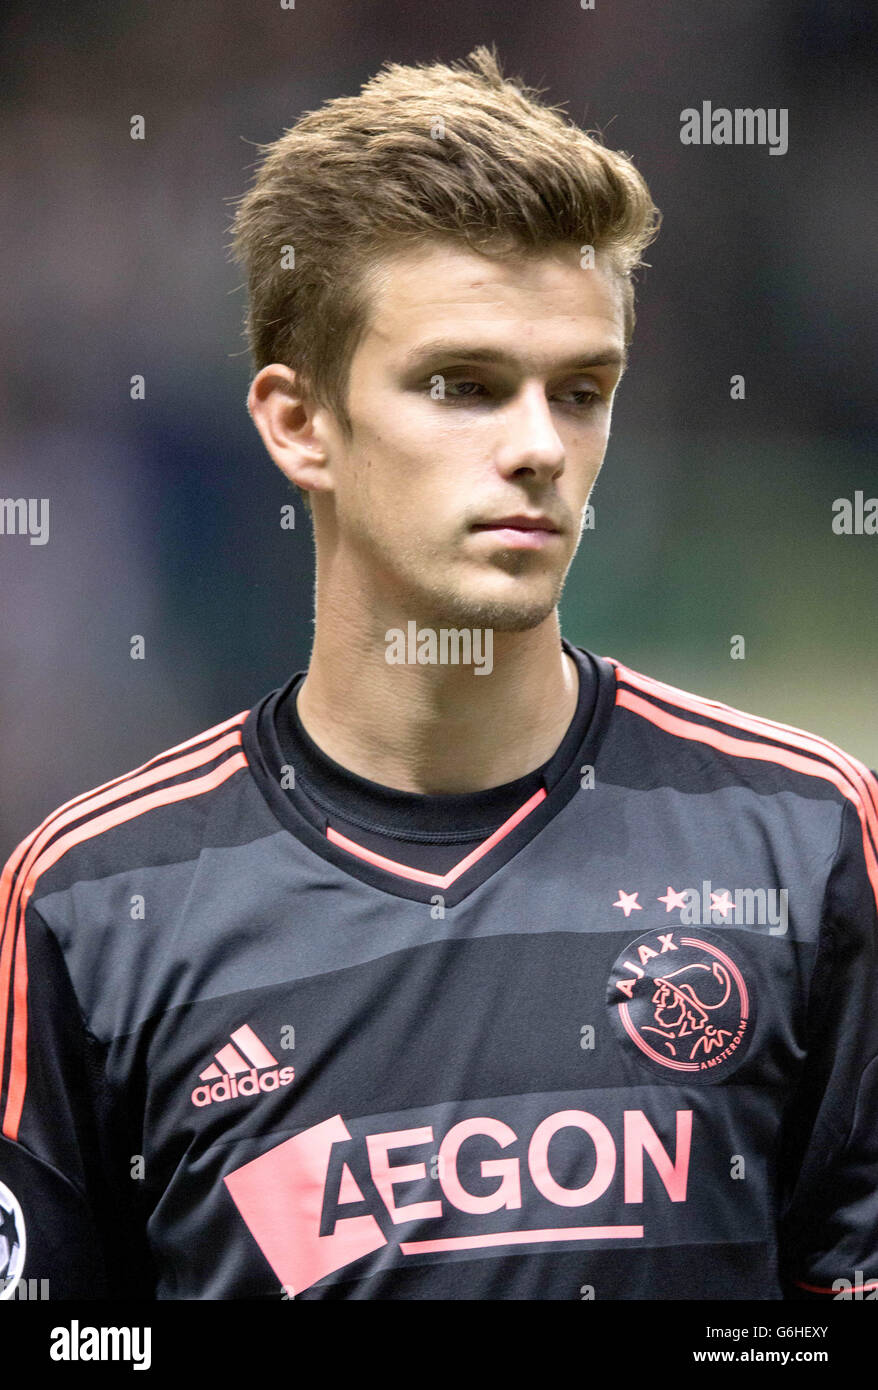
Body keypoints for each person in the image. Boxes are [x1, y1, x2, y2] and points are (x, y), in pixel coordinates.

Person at [1, 46, 875, 1302]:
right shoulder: (92, 905)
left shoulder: (805, 837)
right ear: (298, 422)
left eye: (582, 391)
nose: (537, 448)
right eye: (462, 386)